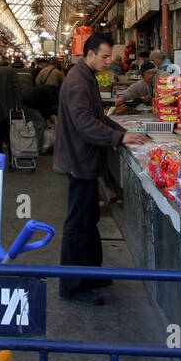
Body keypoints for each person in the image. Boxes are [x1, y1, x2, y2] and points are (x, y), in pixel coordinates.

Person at [54, 32, 150, 305]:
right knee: (77, 224)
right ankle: (72, 286)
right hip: (78, 161)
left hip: (85, 160)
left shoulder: (87, 78)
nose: (110, 61)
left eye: (110, 56)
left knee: (89, 220)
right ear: (90, 54)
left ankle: (91, 274)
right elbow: (86, 124)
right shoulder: (77, 83)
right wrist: (119, 138)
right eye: (105, 56)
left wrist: (123, 130)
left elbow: (97, 117)